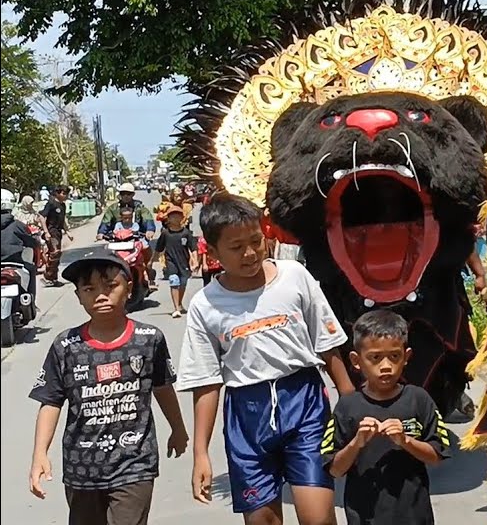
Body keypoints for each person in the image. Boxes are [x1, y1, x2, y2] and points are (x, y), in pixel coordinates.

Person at [176, 192, 354, 525]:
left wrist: (351, 401)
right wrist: (201, 453)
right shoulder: (205, 305)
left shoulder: (294, 277)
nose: (249, 253)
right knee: (262, 520)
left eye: (256, 241)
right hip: (247, 414)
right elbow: (207, 382)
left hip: (304, 403)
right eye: (236, 247)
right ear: (212, 253)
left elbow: (327, 344)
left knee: (318, 517)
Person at [27, 248, 189, 525]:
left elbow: (162, 387)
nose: (100, 295)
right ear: (78, 296)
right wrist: (39, 453)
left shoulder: (149, 339)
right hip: (82, 467)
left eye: (110, 285)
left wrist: (179, 429)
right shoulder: (65, 346)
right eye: (89, 289)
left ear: (129, 288)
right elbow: (51, 401)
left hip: (134, 463)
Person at [322, 310, 451, 525]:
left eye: (394, 356)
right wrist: (357, 443)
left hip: (414, 516)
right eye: (375, 358)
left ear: (406, 357)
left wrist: (406, 441)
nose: (386, 366)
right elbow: (334, 469)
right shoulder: (347, 406)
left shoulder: (419, 399)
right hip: (364, 517)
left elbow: (437, 456)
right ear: (356, 360)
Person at [155, 206, 198, 318]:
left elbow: (193, 248)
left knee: (183, 283)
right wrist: (151, 261)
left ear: (182, 218)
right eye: (173, 216)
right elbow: (159, 248)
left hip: (184, 262)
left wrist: (195, 261)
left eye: (178, 215)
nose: (175, 218)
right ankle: (176, 308)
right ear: (168, 218)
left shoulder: (186, 233)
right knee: (174, 281)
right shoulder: (165, 233)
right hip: (171, 262)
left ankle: (179, 303)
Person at [1, 188, 42, 302]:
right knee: (31, 269)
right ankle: (29, 300)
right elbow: (31, 242)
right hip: (14, 262)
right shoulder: (17, 225)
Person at [41, 185, 73, 286]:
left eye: (67, 194)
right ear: (58, 193)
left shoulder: (63, 205)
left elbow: (63, 220)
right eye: (64, 193)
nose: (65, 196)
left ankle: (53, 278)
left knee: (57, 256)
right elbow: (42, 217)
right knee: (55, 252)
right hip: (51, 232)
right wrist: (46, 232)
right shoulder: (51, 203)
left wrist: (68, 232)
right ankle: (48, 276)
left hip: (58, 232)